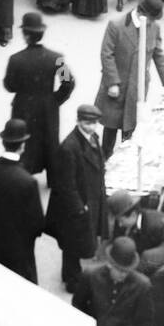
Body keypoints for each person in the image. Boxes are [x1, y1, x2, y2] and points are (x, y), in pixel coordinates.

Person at [94, 0, 164, 158]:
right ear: (141, 13)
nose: (154, 22)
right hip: (117, 86)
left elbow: (158, 54)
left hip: (137, 87)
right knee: (111, 126)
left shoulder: (154, 27)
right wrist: (112, 82)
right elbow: (107, 54)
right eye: (152, 18)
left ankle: (125, 162)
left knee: (131, 126)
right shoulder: (116, 25)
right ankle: (106, 158)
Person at [0, 119, 44, 283]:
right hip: (17, 246)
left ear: (3, 142)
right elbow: (37, 223)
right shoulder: (27, 181)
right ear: (23, 145)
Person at [3, 11, 76, 176]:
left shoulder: (16, 59)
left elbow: (9, 85)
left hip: (23, 105)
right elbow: (68, 81)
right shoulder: (57, 58)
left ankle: (24, 173)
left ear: (25, 34)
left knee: (25, 140)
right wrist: (56, 99)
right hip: (48, 105)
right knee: (49, 139)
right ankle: (52, 175)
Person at [47, 104, 109, 291]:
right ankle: (72, 280)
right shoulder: (69, 147)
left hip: (92, 196)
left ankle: (72, 276)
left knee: (78, 240)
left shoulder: (92, 138)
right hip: (78, 204)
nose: (91, 127)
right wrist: (80, 207)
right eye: (87, 123)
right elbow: (66, 185)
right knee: (72, 243)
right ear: (78, 121)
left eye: (94, 123)